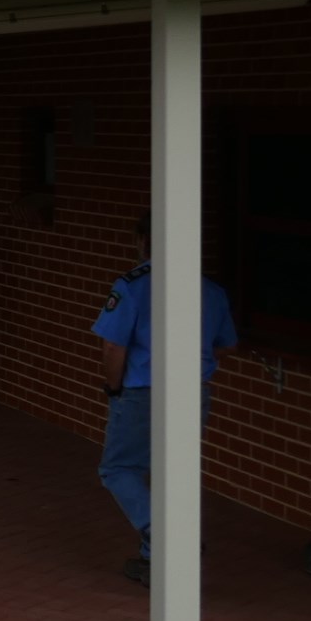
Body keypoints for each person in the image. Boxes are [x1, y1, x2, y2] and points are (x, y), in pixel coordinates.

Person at [91, 212, 239, 587]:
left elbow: (113, 345)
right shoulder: (210, 290)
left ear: (143, 239)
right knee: (174, 473)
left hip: (144, 391)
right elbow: (224, 346)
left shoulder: (132, 285)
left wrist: (114, 387)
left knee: (119, 469)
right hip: (194, 392)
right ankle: (153, 558)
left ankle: (162, 535)